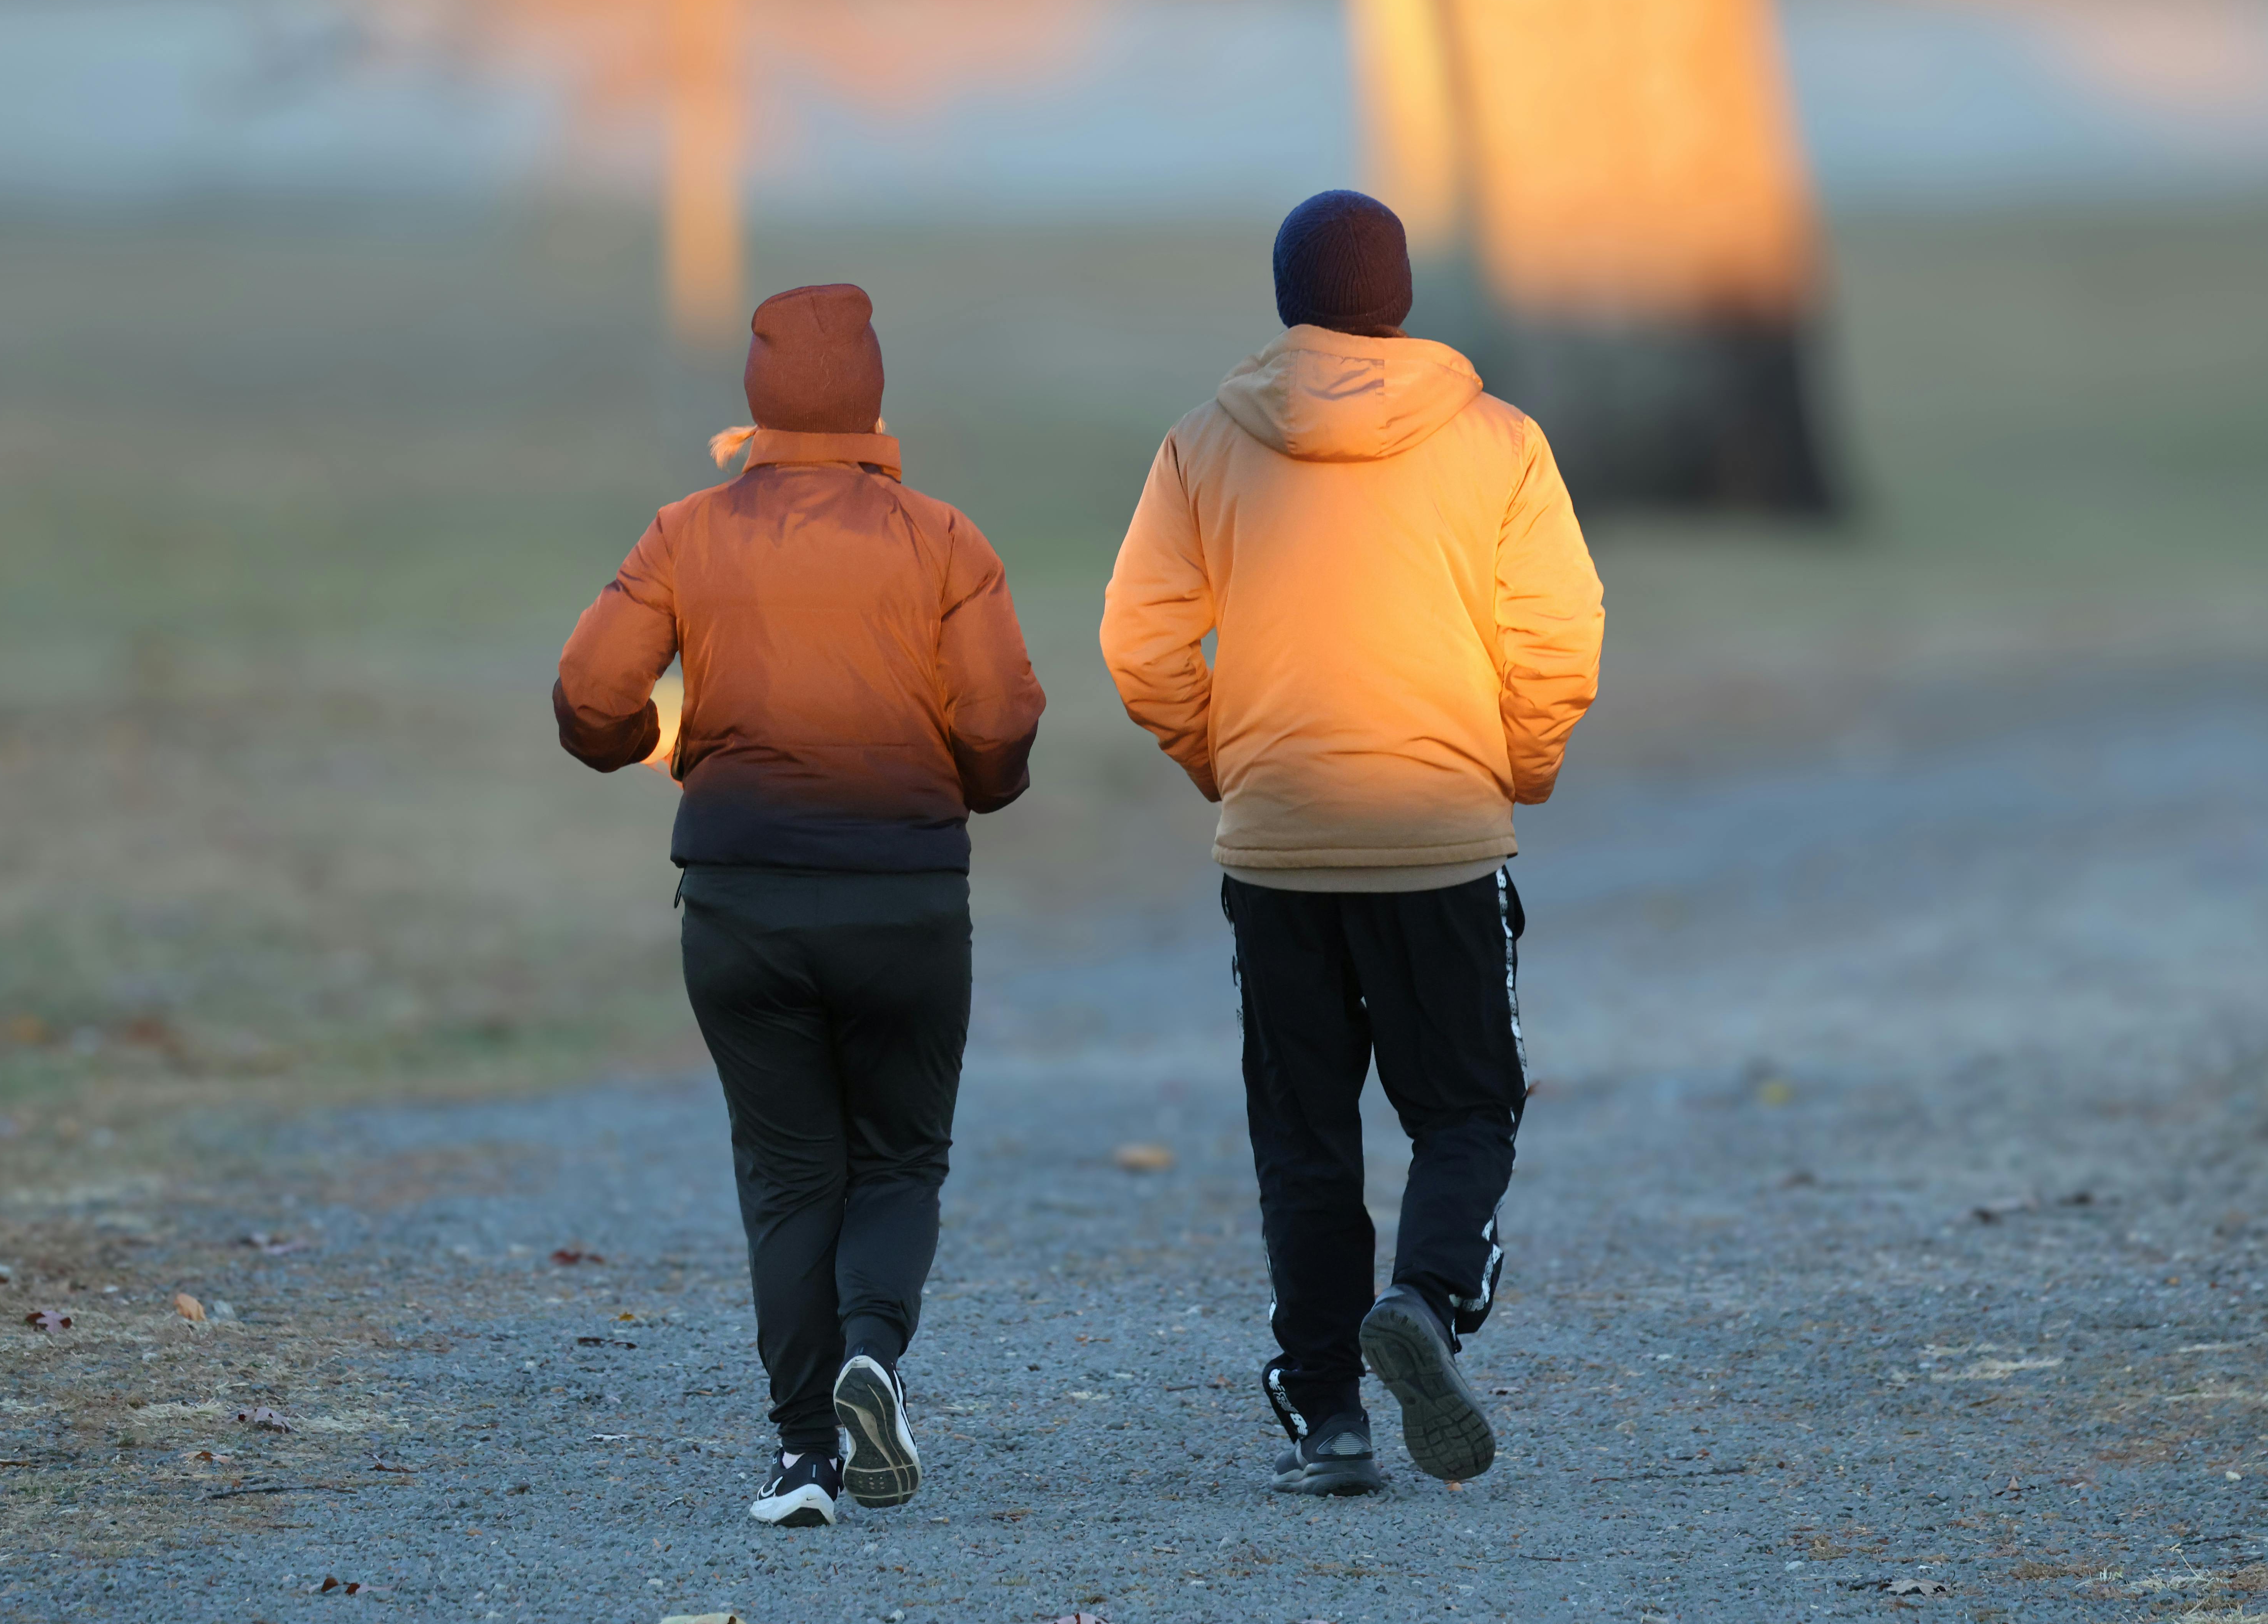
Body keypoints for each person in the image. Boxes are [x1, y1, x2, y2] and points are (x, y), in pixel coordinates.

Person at [1099, 190, 1605, 1497]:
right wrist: (1517, 768)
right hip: (1439, 839)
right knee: (1470, 1106)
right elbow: (1560, 633)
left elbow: (1140, 644)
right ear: (1406, 298)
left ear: (1287, 301)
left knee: (1305, 1133)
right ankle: (1427, 1308)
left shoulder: (1205, 443)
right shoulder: (1501, 444)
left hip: (1276, 854)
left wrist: (1236, 766)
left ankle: (1329, 1412)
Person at [555, 283, 1046, 1528]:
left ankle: (802, 1457)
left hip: (741, 900)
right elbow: (998, 721)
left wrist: (649, 743)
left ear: (756, 397)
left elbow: (587, 693)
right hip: (907, 899)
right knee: (899, 1157)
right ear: (874, 398)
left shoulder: (688, 530)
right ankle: (872, 1355)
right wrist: (970, 789)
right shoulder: (945, 537)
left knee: (786, 1172)